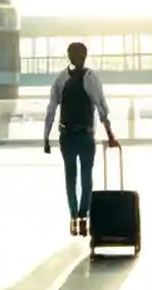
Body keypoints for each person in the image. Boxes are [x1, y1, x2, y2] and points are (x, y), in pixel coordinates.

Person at [44, 42, 119, 237]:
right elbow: (102, 108)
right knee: (83, 177)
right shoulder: (89, 79)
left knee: (74, 177)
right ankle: (80, 216)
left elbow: (52, 109)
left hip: (72, 136)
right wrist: (110, 135)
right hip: (81, 135)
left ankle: (77, 217)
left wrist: (46, 136)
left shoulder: (63, 80)